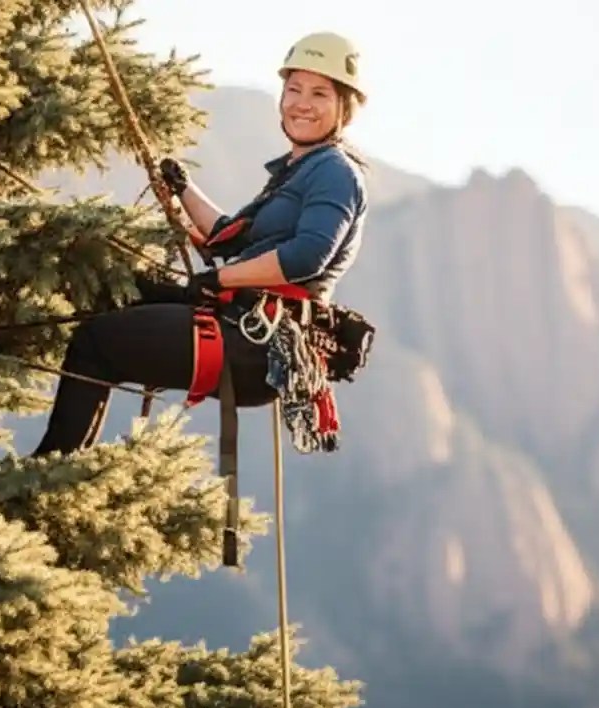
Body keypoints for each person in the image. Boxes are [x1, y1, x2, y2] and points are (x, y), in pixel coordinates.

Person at [32, 31, 371, 457]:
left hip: (256, 341)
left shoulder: (336, 172)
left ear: (345, 107)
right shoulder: (295, 170)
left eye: (319, 93)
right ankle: (58, 468)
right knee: (112, 286)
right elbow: (229, 236)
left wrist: (220, 278)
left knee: (96, 343)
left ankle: (51, 472)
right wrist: (183, 189)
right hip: (241, 322)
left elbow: (307, 255)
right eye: (294, 89)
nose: (301, 102)